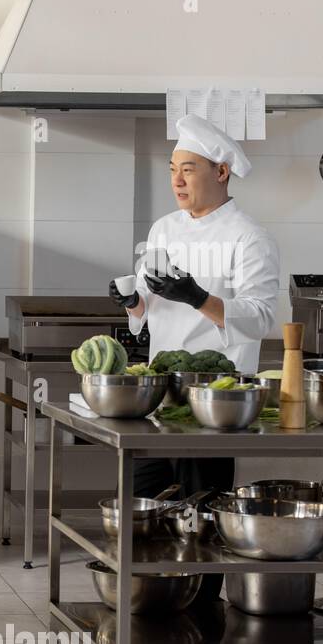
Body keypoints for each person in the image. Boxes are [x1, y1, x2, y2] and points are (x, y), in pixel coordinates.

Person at [110, 113, 280, 602]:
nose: (177, 180)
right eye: (171, 169)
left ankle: (202, 609)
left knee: (198, 514)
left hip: (214, 402)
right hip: (162, 398)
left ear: (221, 172)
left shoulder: (250, 237)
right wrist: (132, 304)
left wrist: (200, 297)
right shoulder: (164, 229)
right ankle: (147, 602)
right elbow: (150, 305)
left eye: (189, 168)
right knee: (142, 506)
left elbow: (262, 316)